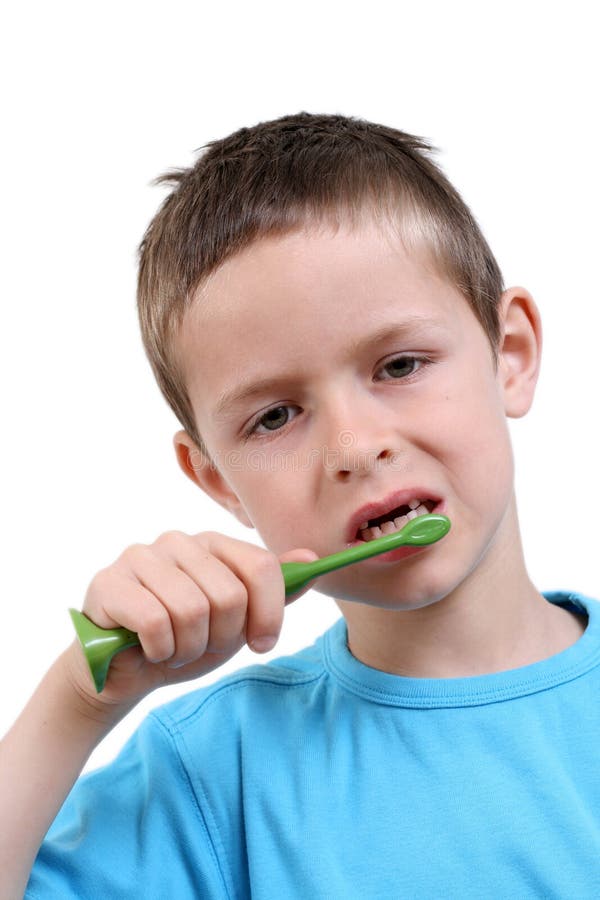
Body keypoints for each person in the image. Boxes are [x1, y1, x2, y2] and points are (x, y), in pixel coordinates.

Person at [2, 111, 599, 899]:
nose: (355, 447)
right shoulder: (212, 774)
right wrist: (79, 698)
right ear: (217, 480)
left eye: (400, 365)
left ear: (509, 355)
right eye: (276, 416)